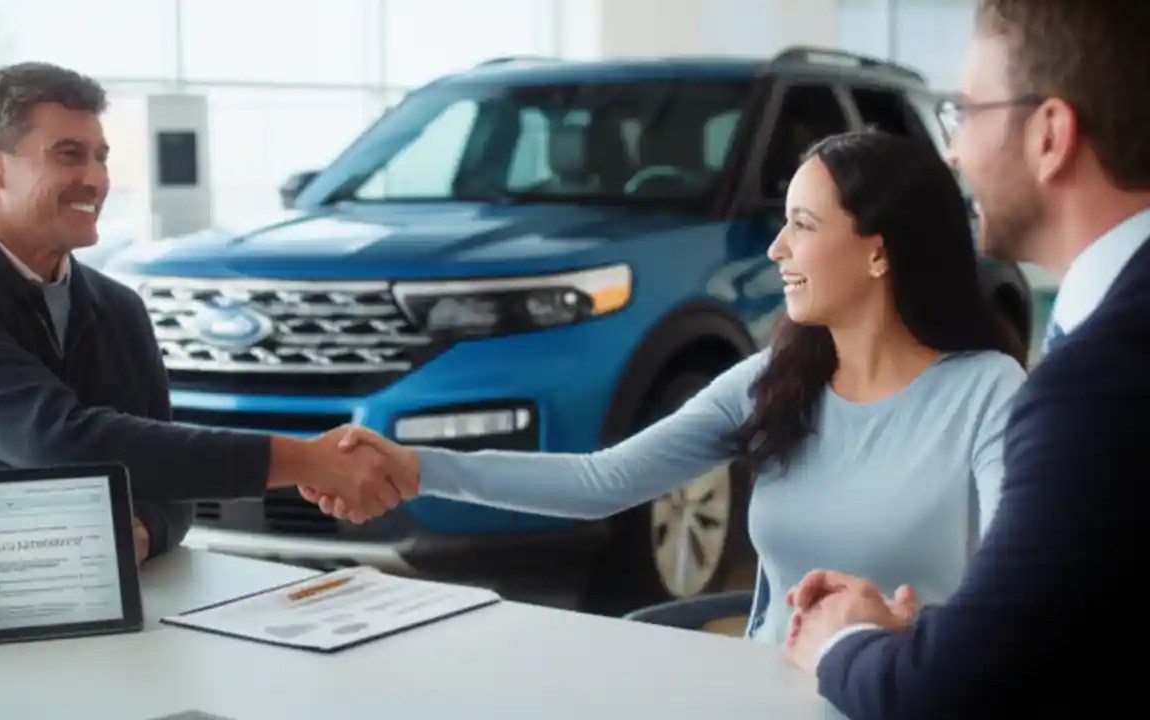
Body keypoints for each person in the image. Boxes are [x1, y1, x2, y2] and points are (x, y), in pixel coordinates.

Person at [306, 130, 1028, 648]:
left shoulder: (986, 393)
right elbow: (603, 479)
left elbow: (1016, 600)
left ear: (879, 252)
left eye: (802, 227)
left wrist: (910, 634)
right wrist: (418, 468)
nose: (776, 250)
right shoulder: (771, 382)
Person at [0, 62, 411, 576]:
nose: (97, 180)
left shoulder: (117, 309)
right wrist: (302, 461)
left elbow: (168, 487)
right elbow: (59, 442)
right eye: (68, 155)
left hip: (76, 604)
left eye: (101, 157)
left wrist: (141, 532)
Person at [778, 2, 1150, 717]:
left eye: (965, 112)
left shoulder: (1102, 383)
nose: (951, 151)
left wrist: (839, 642)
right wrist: (937, 635)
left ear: (1050, 135)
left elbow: (946, 694)